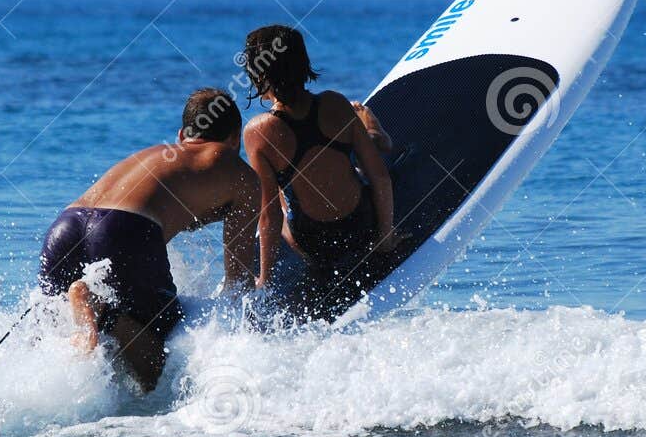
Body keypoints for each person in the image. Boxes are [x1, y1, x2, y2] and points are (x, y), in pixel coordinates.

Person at [38, 87, 259, 391]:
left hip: (65, 227)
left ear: (183, 134)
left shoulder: (158, 155)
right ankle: (104, 311)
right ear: (236, 137)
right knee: (155, 365)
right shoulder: (240, 173)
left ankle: (95, 313)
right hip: (122, 228)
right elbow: (238, 281)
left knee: (58, 334)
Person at [241, 25, 406, 308]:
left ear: (259, 74)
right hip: (361, 226)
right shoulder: (336, 104)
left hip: (312, 244)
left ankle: (374, 135)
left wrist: (265, 279)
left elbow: (269, 217)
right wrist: (385, 237)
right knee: (364, 156)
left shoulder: (257, 132)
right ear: (302, 63)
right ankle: (374, 133)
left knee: (282, 192)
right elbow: (380, 177)